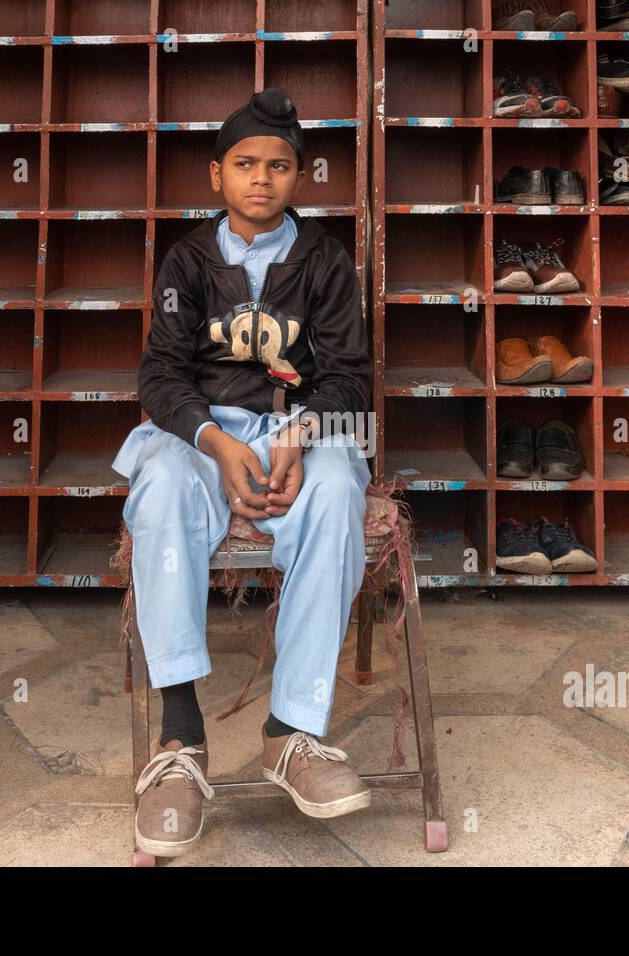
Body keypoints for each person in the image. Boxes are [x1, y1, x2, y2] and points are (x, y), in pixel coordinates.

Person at [111, 87, 374, 857]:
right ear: (216, 175)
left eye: (281, 166)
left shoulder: (324, 259)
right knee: (158, 483)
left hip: (300, 432)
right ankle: (180, 744)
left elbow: (351, 377)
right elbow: (160, 378)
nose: (263, 179)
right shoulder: (188, 260)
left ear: (301, 178)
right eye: (246, 164)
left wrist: (299, 435)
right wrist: (218, 447)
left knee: (335, 486)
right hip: (206, 435)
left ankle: (291, 733)